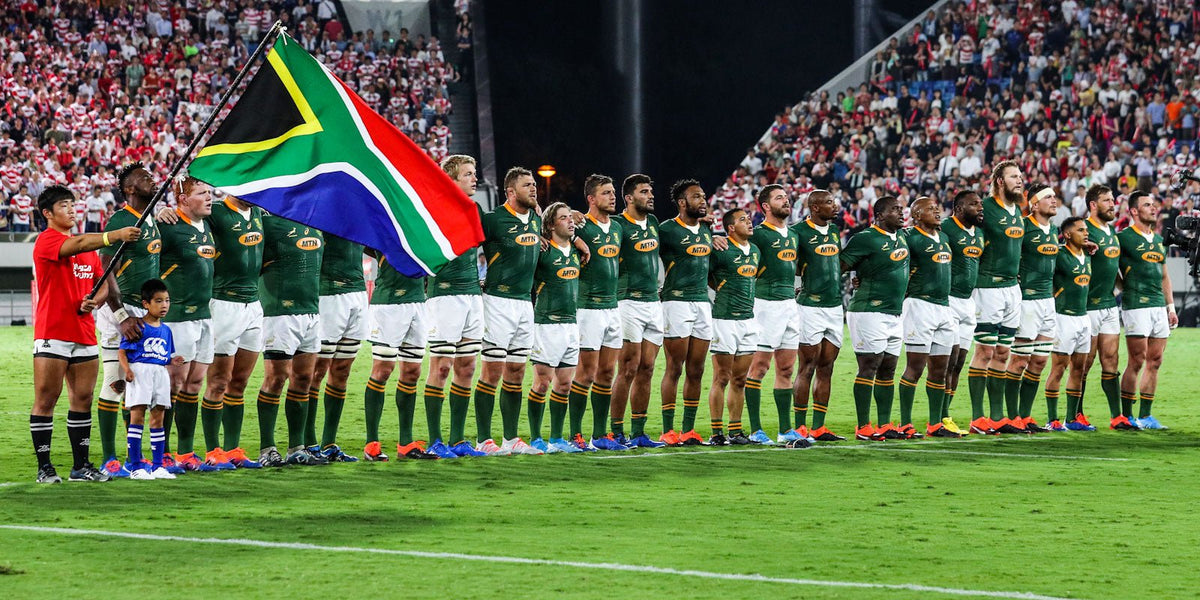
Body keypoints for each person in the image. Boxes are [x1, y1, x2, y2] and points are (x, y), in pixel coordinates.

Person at [31, 184, 139, 483]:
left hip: (84, 333)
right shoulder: (47, 241)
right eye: (63, 205)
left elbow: (101, 283)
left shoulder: (88, 250)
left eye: (72, 204)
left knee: (83, 398)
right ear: (47, 213)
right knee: (47, 398)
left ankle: (80, 467)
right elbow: (76, 244)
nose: (71, 209)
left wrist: (96, 299)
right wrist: (114, 235)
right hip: (53, 332)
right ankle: (45, 468)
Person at [95, 163, 163, 478]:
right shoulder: (121, 221)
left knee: (136, 385)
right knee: (115, 382)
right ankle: (109, 458)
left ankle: (133, 456)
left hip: (143, 313)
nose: (153, 179)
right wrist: (121, 316)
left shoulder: (151, 219)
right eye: (144, 178)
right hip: (119, 313)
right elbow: (105, 272)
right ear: (130, 189)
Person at [421, 155, 488, 458]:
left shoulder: (475, 210)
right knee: (442, 366)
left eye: (474, 173)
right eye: (468, 174)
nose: (475, 179)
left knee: (467, 366)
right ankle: (435, 440)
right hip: (445, 295)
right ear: (451, 179)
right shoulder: (433, 208)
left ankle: (458, 439)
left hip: (473, 295)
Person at [476, 167, 544, 455]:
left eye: (534, 184)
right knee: (492, 371)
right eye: (527, 185)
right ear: (511, 192)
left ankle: (511, 439)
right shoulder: (493, 220)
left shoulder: (537, 220)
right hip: (497, 302)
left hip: (525, 304)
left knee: (516, 371)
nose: (534, 188)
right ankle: (483, 440)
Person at [257, 214, 328, 466]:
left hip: (311, 310)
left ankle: (296, 448)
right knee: (276, 378)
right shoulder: (267, 221)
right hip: (280, 311)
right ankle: (267, 449)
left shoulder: (316, 222)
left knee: (304, 379)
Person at [158, 176, 217, 469]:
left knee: (194, 384)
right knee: (173, 384)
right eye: (202, 193)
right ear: (183, 199)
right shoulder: (168, 227)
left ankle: (186, 452)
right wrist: (159, 212)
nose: (209, 197)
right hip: (178, 318)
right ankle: (163, 451)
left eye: (210, 192)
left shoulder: (208, 225)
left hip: (205, 316)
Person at [202, 194, 265, 467]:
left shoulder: (259, 213)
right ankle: (212, 450)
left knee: (239, 383)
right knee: (218, 382)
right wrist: (166, 211)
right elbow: (188, 219)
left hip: (254, 304)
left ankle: (233, 449)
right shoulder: (215, 212)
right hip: (223, 303)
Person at [841, 196, 909, 441]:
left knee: (888, 369)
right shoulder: (865, 238)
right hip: (868, 310)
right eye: (895, 210)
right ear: (879, 215)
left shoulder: (902, 236)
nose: (901, 213)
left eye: (901, 209)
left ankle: (885, 424)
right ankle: (863, 426)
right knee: (869, 366)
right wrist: (854, 278)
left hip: (895, 312)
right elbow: (840, 264)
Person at [967, 161, 1027, 435]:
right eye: (1014, 176)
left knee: (1003, 352)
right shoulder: (984, 209)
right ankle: (977, 417)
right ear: (1000, 181)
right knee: (985, 350)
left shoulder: (1017, 212)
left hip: (1012, 289)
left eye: (1020, 176)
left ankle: (997, 417)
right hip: (987, 287)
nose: (1020, 180)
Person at [570, 174, 628, 451]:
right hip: (587, 308)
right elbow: (550, 225)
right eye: (606, 193)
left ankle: (600, 434)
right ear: (591, 199)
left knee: (606, 373)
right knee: (586, 373)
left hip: (612, 307)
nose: (612, 196)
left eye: (613, 192)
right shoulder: (580, 224)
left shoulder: (617, 227)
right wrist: (571, 215)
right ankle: (575, 434)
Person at [609, 174, 667, 449]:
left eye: (650, 191)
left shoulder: (653, 222)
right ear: (629, 198)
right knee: (628, 368)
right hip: (628, 301)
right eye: (644, 191)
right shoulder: (617, 225)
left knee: (648, 368)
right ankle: (616, 431)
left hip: (653, 302)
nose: (650, 195)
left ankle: (639, 432)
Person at [657, 179, 714, 446]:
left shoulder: (707, 229)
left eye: (703, 196)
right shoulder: (666, 230)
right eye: (696, 197)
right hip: (676, 302)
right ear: (682, 202)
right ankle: (668, 430)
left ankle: (688, 430)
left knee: (697, 369)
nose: (703, 201)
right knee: (674, 368)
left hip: (702, 302)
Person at [365, 253, 438, 459]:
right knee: (383, 370)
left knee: (412, 371)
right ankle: (371, 444)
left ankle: (406, 443)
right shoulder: (384, 232)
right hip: (388, 302)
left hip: (418, 301)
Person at [898, 196, 958, 438]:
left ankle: (935, 424)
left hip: (944, 306)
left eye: (937, 207)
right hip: (919, 305)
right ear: (916, 215)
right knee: (915, 366)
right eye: (930, 209)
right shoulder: (908, 237)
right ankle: (905, 423)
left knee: (940, 369)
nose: (937, 211)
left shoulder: (943, 238)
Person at [744, 184, 800, 445]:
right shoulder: (758, 235)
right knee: (759, 367)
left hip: (790, 304)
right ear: (766, 206)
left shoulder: (794, 234)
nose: (786, 201)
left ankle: (785, 429)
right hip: (765, 305)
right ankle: (756, 430)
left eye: (786, 197)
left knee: (786, 368)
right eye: (779, 198)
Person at [528, 202, 585, 453]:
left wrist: (579, 239)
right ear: (551, 225)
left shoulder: (576, 250)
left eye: (570, 217)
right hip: (546, 324)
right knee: (542, 383)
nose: (570, 221)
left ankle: (557, 438)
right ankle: (535, 438)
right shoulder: (542, 250)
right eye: (563, 218)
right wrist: (536, 235)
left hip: (571, 324)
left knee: (564, 385)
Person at [1117, 191, 1176, 429]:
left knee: (1156, 360)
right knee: (1137, 360)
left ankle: (1145, 416)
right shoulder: (1123, 238)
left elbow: (1164, 276)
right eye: (1147, 205)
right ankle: (1126, 415)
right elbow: (1109, 267)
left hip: (1158, 306)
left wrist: (1170, 307)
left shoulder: (1160, 239)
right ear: (1134, 211)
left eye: (1153, 204)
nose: (1153, 208)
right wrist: (1123, 288)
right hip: (1136, 305)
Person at [791, 189, 846, 442]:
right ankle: (800, 427)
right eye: (829, 203)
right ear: (815, 207)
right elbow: (786, 261)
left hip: (834, 307)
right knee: (807, 367)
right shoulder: (798, 232)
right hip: (810, 307)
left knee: (827, 367)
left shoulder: (834, 231)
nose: (835, 206)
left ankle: (819, 427)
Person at [1005, 183, 1061, 433]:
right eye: (1048, 197)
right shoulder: (1024, 226)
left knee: (1039, 362)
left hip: (1048, 302)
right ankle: (1011, 416)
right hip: (1027, 301)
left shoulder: (1054, 230)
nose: (1054, 200)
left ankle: (1026, 416)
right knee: (1019, 361)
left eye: (1055, 196)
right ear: (1034, 204)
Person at [307, 232, 367, 462]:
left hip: (358, 291)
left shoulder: (362, 213)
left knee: (342, 371)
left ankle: (329, 443)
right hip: (329, 293)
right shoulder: (323, 213)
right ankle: (309, 443)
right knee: (317, 371)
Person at [118, 278, 185, 479]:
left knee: (158, 417)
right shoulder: (138, 326)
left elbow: (162, 355)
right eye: (158, 301)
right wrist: (127, 370)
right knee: (137, 416)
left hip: (160, 373)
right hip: (140, 372)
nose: (164, 305)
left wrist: (172, 360)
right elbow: (122, 351)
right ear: (146, 304)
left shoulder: (166, 330)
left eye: (167, 301)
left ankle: (157, 466)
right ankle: (136, 467)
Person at [706, 208, 761, 445]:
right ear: (730, 228)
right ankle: (716, 432)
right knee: (722, 377)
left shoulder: (755, 251)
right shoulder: (721, 249)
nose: (749, 222)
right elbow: (705, 273)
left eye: (749, 219)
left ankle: (736, 431)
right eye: (743, 220)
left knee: (740, 380)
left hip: (748, 320)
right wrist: (720, 287)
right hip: (724, 319)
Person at [1041, 217, 1092, 432]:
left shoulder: (1087, 255)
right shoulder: (1060, 255)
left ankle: (1071, 418)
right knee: (1059, 368)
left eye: (1086, 230)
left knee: (1079, 369)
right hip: (1063, 317)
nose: (1086, 233)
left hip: (1083, 317)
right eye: (1081, 230)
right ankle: (1052, 419)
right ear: (1068, 234)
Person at [1081, 185, 1124, 430]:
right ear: (1093, 205)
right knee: (1084, 362)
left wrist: (1122, 288)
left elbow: (1113, 269)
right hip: (1087, 306)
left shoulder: (1112, 232)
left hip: (1108, 304)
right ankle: (1075, 415)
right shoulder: (1084, 230)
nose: (1112, 204)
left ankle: (1117, 416)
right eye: (1107, 200)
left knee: (1111, 359)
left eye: (1113, 200)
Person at [941, 190, 984, 435]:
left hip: (969, 302)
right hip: (948, 300)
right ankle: (940, 416)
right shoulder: (946, 228)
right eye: (974, 204)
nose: (980, 207)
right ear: (958, 208)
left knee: (958, 363)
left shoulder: (979, 233)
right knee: (947, 361)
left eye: (980, 203)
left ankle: (946, 413)